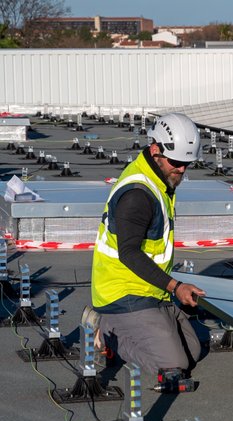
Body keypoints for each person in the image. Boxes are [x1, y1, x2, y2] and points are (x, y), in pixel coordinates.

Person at [91, 112, 207, 383]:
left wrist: (169, 289)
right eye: (176, 162)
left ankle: (120, 326)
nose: (182, 170)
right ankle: (104, 329)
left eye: (187, 164)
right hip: (122, 291)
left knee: (193, 353)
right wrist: (176, 287)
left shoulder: (160, 179)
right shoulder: (138, 194)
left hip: (151, 289)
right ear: (155, 150)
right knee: (173, 366)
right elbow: (129, 253)